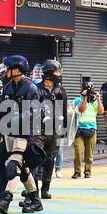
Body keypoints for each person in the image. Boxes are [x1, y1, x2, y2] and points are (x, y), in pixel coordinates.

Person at [0, 55, 49, 214]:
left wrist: (14, 120)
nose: (5, 70)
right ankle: (35, 200)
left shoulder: (31, 88)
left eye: (8, 67)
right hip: (10, 132)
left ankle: (6, 198)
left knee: (14, 165)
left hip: (26, 133)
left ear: (17, 69)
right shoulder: (7, 88)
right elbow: (1, 109)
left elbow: (33, 112)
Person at [37, 59, 68, 199]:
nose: (59, 74)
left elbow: (64, 110)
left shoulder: (61, 90)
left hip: (55, 130)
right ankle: (32, 188)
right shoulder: (36, 89)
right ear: (49, 73)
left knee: (50, 159)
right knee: (35, 158)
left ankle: (45, 189)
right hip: (38, 130)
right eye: (57, 71)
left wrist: (64, 130)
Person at [72, 86, 99, 178]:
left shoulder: (94, 102)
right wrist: (85, 98)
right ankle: (77, 172)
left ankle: (88, 172)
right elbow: (81, 109)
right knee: (78, 152)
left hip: (92, 129)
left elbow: (101, 111)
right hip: (79, 130)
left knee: (89, 154)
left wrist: (98, 100)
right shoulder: (78, 100)